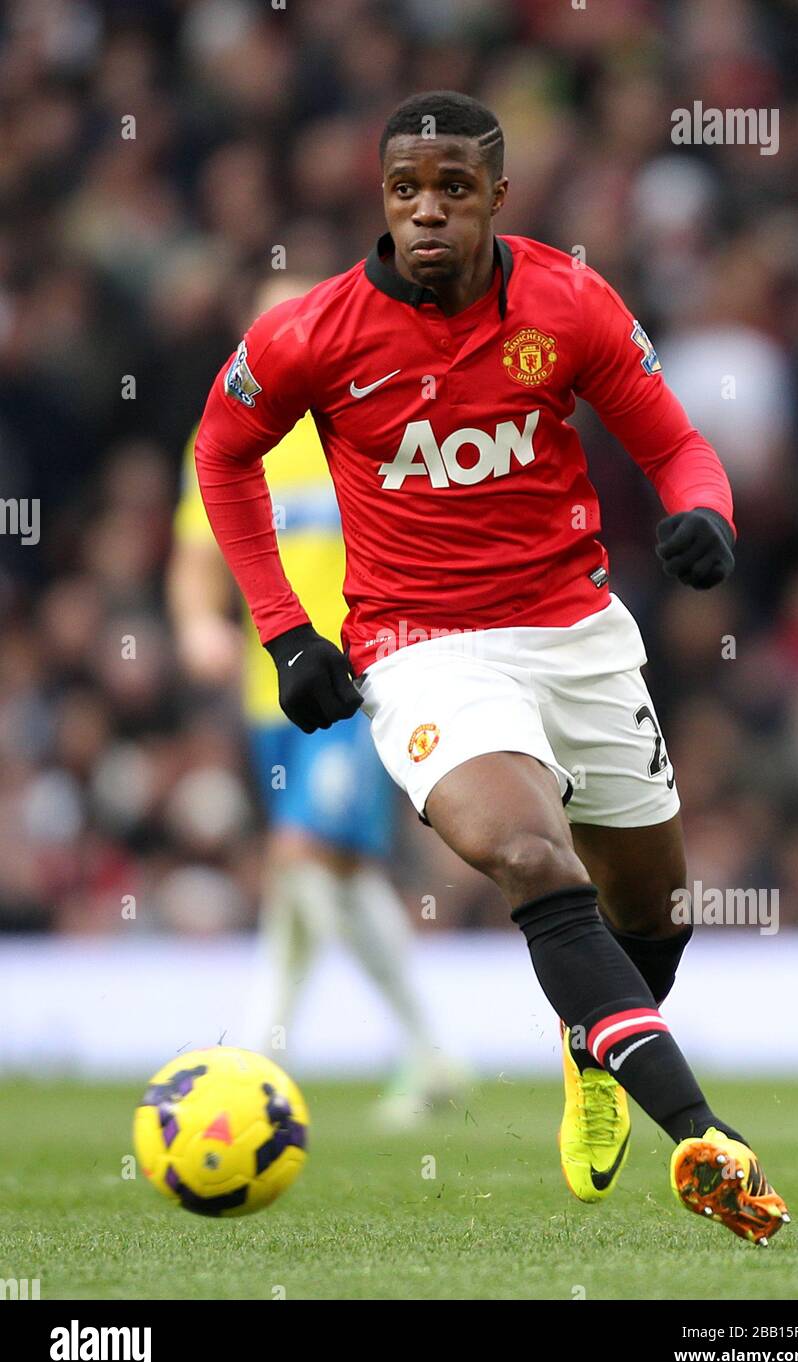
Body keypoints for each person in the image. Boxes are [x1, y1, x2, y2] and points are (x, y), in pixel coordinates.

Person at [193, 92, 789, 1244]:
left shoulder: (567, 303)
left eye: (452, 190)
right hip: (421, 647)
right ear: (381, 198)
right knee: (526, 852)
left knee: (653, 909)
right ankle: (704, 1135)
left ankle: (591, 1048)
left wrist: (703, 514)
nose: (427, 212)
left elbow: (672, 440)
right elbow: (223, 455)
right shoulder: (306, 333)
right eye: (406, 190)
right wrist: (283, 629)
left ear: (495, 199)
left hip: (576, 630)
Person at [170, 276, 462, 1129]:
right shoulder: (234, 434)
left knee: (303, 857)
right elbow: (196, 549)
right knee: (325, 873)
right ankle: (412, 1056)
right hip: (273, 697)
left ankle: (269, 1053)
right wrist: (195, 623)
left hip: (365, 685)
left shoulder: (370, 419)